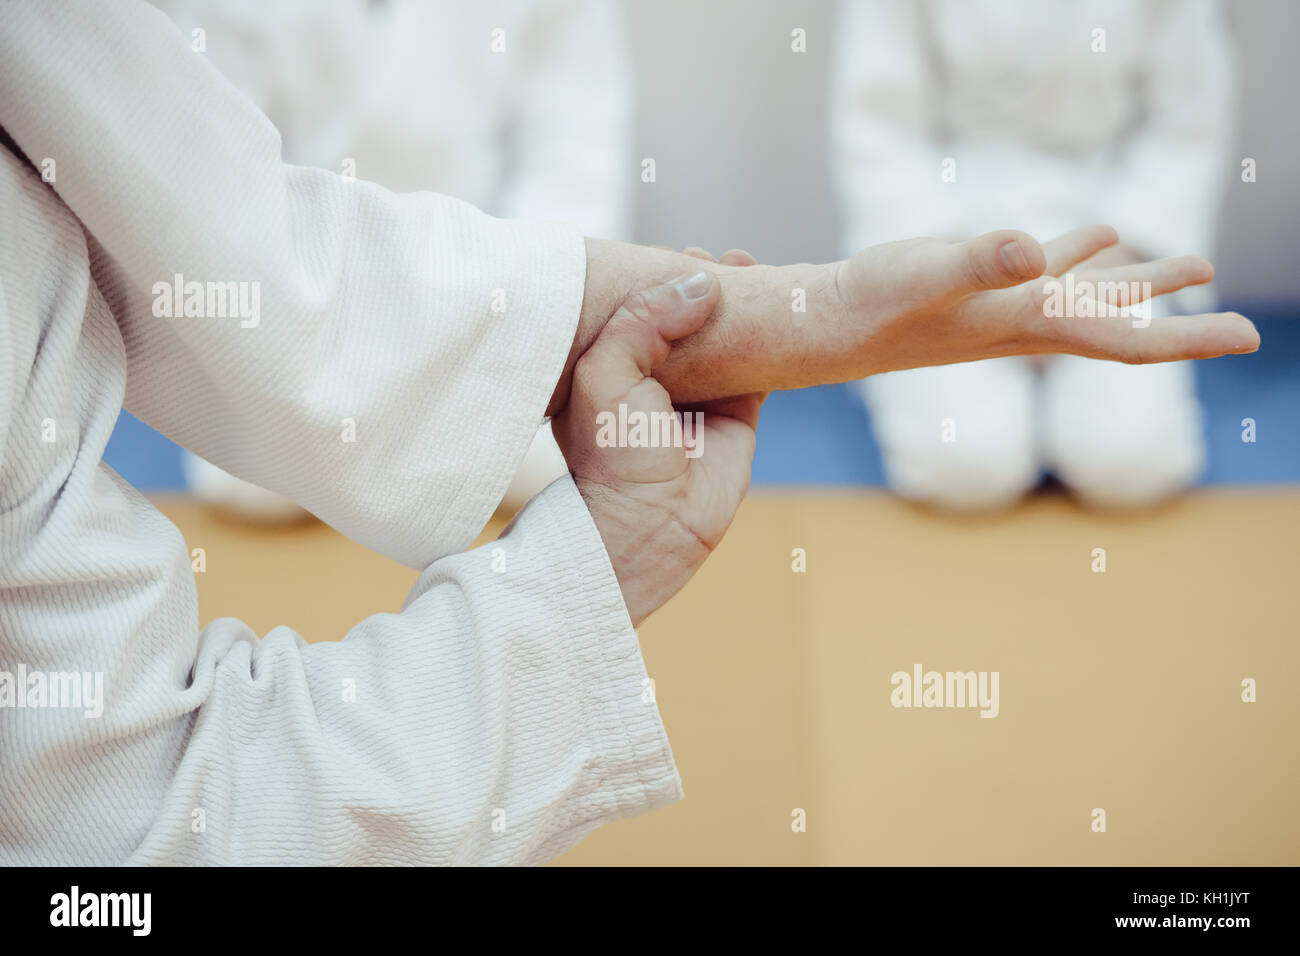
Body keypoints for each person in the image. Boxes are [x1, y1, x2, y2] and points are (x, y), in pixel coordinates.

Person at [0, 0, 1255, 865]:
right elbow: (130, 822)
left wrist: (791, 316)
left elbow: (218, 215)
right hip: (446, 319)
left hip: (481, 292)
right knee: (964, 458)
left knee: (1125, 454)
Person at [159, 0, 633, 518]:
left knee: (544, 468)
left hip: (492, 316)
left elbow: (572, 176)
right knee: (253, 491)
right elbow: (222, 192)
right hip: (300, 324)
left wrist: (512, 347)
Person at [830, 0, 1236, 509]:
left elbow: (1187, 121)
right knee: (965, 470)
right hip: (953, 238)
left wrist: (1113, 263)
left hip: (1107, 237)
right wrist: (961, 270)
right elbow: (879, 125)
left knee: (1129, 465)